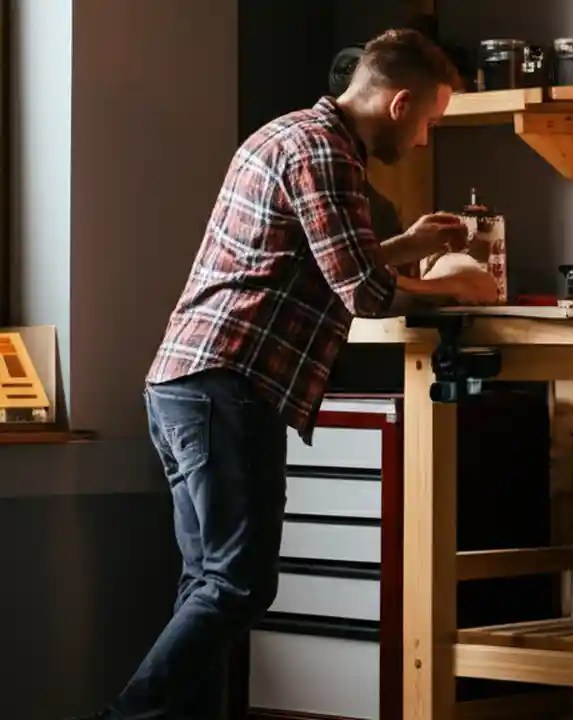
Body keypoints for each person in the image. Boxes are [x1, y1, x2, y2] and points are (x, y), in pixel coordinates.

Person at [72, 28, 494, 720]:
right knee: (238, 584)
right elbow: (361, 290)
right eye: (428, 121)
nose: (424, 140)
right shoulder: (324, 154)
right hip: (227, 382)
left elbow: (312, 257)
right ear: (399, 104)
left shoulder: (294, 136)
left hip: (188, 381)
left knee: (208, 581)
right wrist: (460, 286)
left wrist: (408, 246)